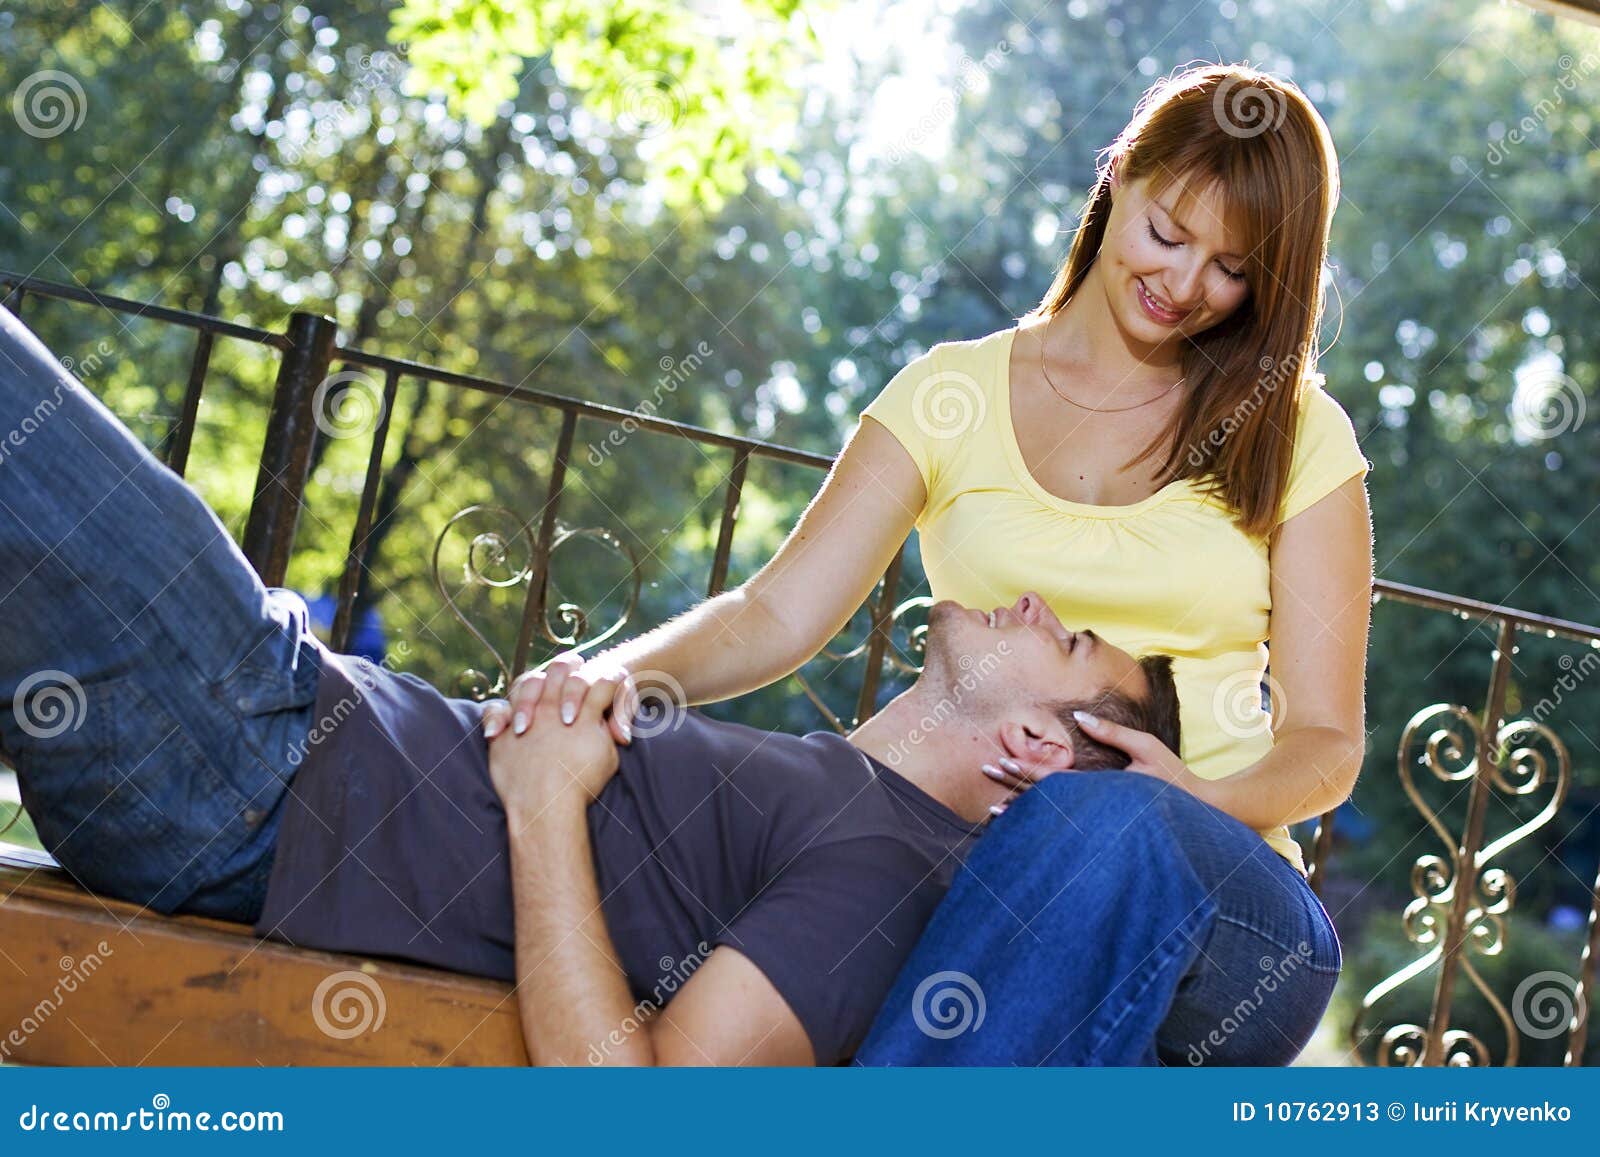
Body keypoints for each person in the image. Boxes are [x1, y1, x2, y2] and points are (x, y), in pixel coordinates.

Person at [0, 303, 1179, 1064]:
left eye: (1067, 641)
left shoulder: (885, 872)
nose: (1033, 601)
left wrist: (545, 798)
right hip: (267, 724)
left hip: (251, 770)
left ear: (1031, 746)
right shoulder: (843, 793)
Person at [482, 62, 1370, 1065]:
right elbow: (776, 611)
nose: (1183, 284)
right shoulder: (950, 393)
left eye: (1232, 267)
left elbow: (1326, 745)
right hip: (977, 887)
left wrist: (1183, 797)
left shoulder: (1295, 434)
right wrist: (613, 675)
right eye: (1168, 233)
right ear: (1119, 176)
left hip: (1229, 917)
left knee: (1103, 823)